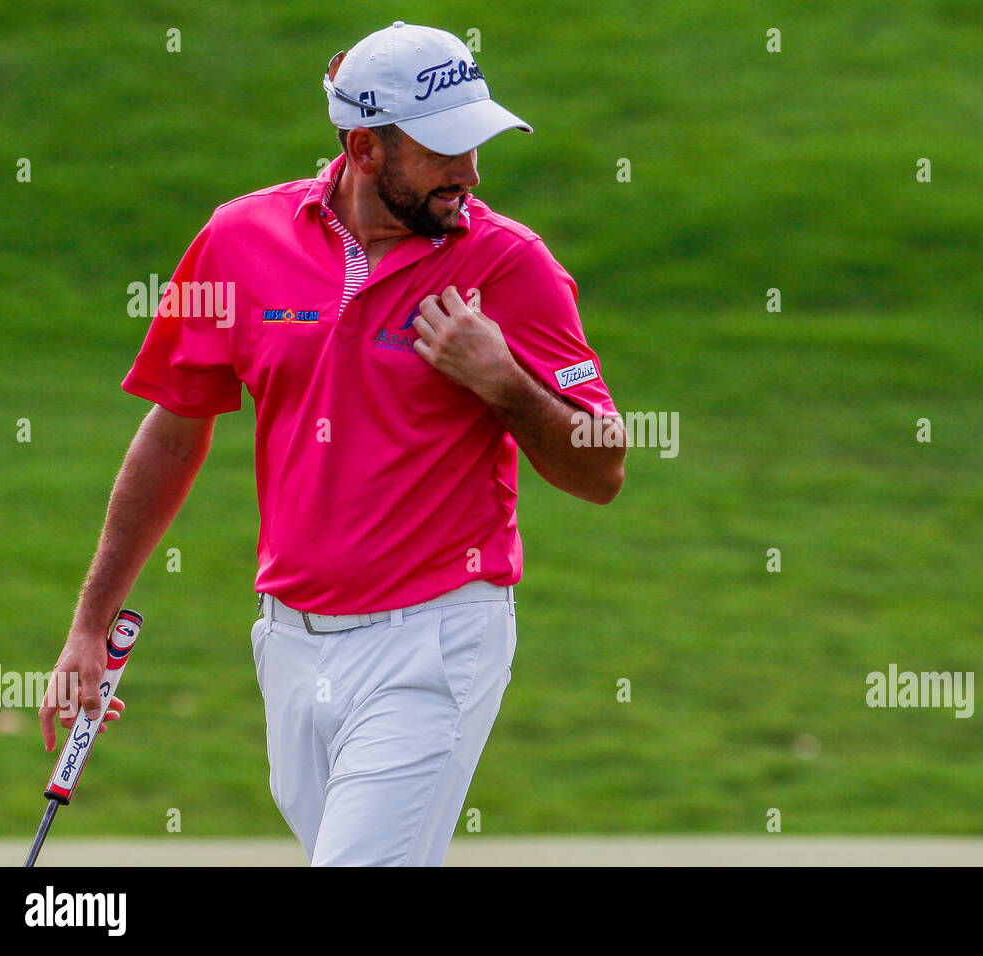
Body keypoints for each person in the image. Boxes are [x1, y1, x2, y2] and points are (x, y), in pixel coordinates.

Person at [38, 21, 626, 866]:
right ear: (365, 148)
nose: (470, 175)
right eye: (444, 151)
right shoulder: (240, 241)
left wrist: (501, 380)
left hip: (437, 639)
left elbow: (602, 466)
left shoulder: (510, 265)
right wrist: (90, 623)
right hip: (288, 643)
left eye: (476, 146)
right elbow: (174, 430)